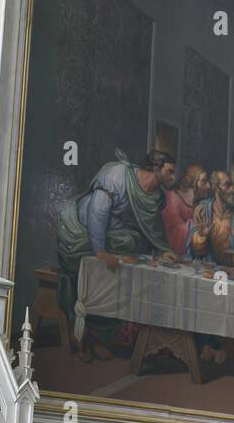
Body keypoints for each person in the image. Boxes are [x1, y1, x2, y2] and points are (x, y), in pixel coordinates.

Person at [55, 148, 178, 351]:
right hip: (81, 230)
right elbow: (98, 210)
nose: (174, 176)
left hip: (115, 234)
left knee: (131, 248)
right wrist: (100, 250)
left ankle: (100, 337)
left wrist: (163, 248)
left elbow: (152, 225)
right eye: (170, 171)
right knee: (103, 264)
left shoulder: (155, 196)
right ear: (156, 168)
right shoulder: (118, 175)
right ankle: (82, 339)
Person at [161, 163, 209, 257]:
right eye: (203, 181)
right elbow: (173, 234)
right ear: (193, 183)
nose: (208, 186)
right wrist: (195, 225)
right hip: (169, 255)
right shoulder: (171, 199)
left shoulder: (198, 204)